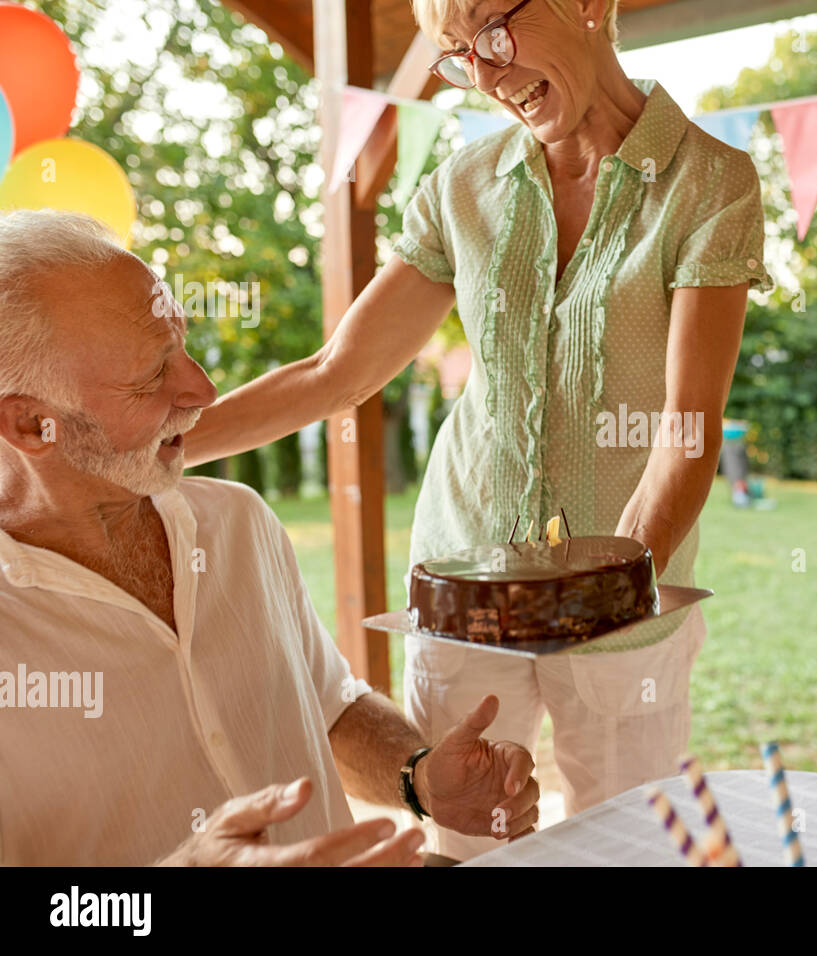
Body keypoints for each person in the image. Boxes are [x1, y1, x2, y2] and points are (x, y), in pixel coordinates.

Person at [183, 0, 772, 859]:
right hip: (465, 581)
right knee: (467, 838)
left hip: (623, 604)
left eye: (492, 35)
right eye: (459, 58)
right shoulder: (464, 184)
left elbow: (686, 429)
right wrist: (160, 448)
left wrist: (603, 599)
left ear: (589, 6)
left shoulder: (710, 180)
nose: (488, 78)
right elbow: (335, 372)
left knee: (627, 846)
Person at [0, 210, 539, 865]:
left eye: (185, 346)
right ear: (33, 425)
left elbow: (329, 705)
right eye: (151, 379)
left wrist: (420, 777)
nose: (202, 388)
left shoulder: (238, 523)